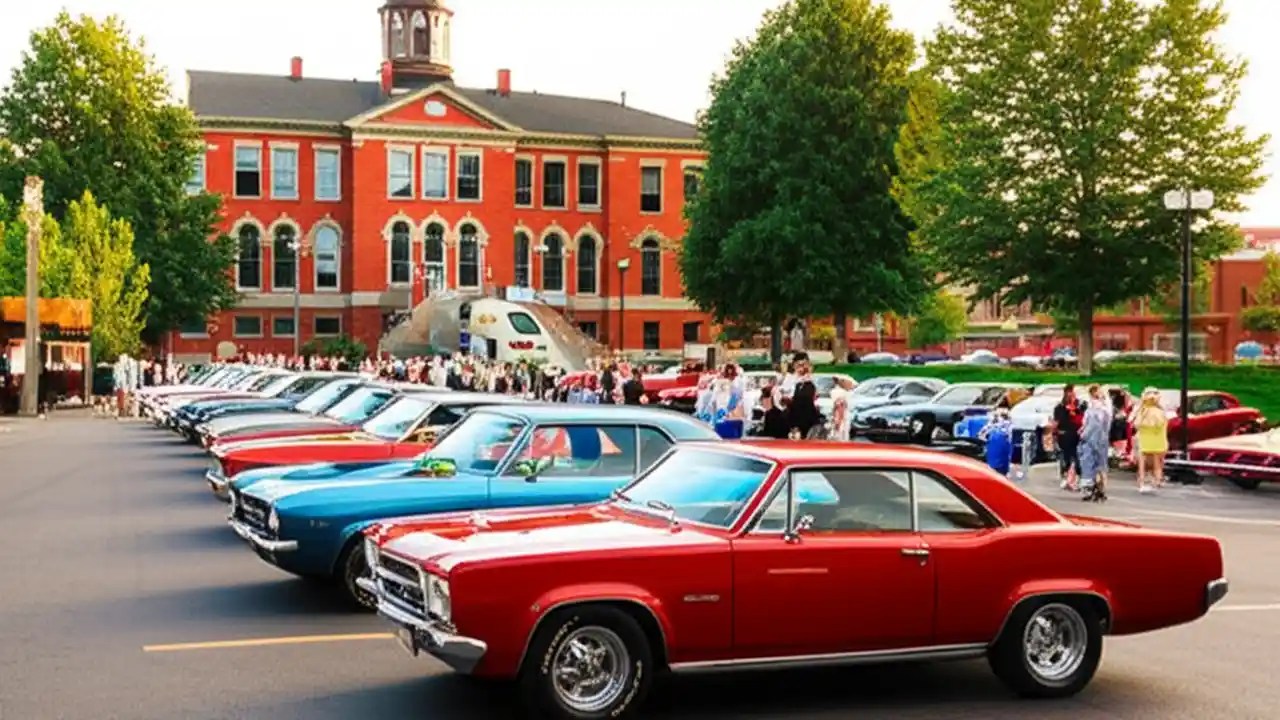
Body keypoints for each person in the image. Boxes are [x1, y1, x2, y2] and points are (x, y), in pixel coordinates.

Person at [1078, 384, 1112, 502]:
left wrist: (1083, 434)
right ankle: (1099, 489)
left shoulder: (1095, 408)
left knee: (1090, 463)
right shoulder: (1104, 407)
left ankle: (1092, 488)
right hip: (1101, 438)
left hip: (1093, 439)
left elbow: (1091, 424)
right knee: (1100, 464)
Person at [1132, 388, 1169, 493]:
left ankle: (1142, 482)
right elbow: (1163, 426)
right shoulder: (1160, 412)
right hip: (1158, 440)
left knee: (1142, 463)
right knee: (1157, 462)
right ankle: (1157, 481)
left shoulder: (1141, 412)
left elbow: (1136, 425)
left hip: (1145, 441)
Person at [1053, 385, 1085, 490]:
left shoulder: (1081, 406)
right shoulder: (1059, 407)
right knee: (1066, 457)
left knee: (1076, 457)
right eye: (1069, 393)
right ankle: (1067, 477)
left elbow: (1085, 419)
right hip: (1065, 435)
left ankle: (1075, 478)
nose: (1071, 395)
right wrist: (1054, 434)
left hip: (1077, 434)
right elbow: (1056, 422)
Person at [980, 407, 1015, 478]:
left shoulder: (992, 426)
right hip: (1002, 458)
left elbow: (980, 435)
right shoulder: (1010, 426)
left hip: (993, 457)